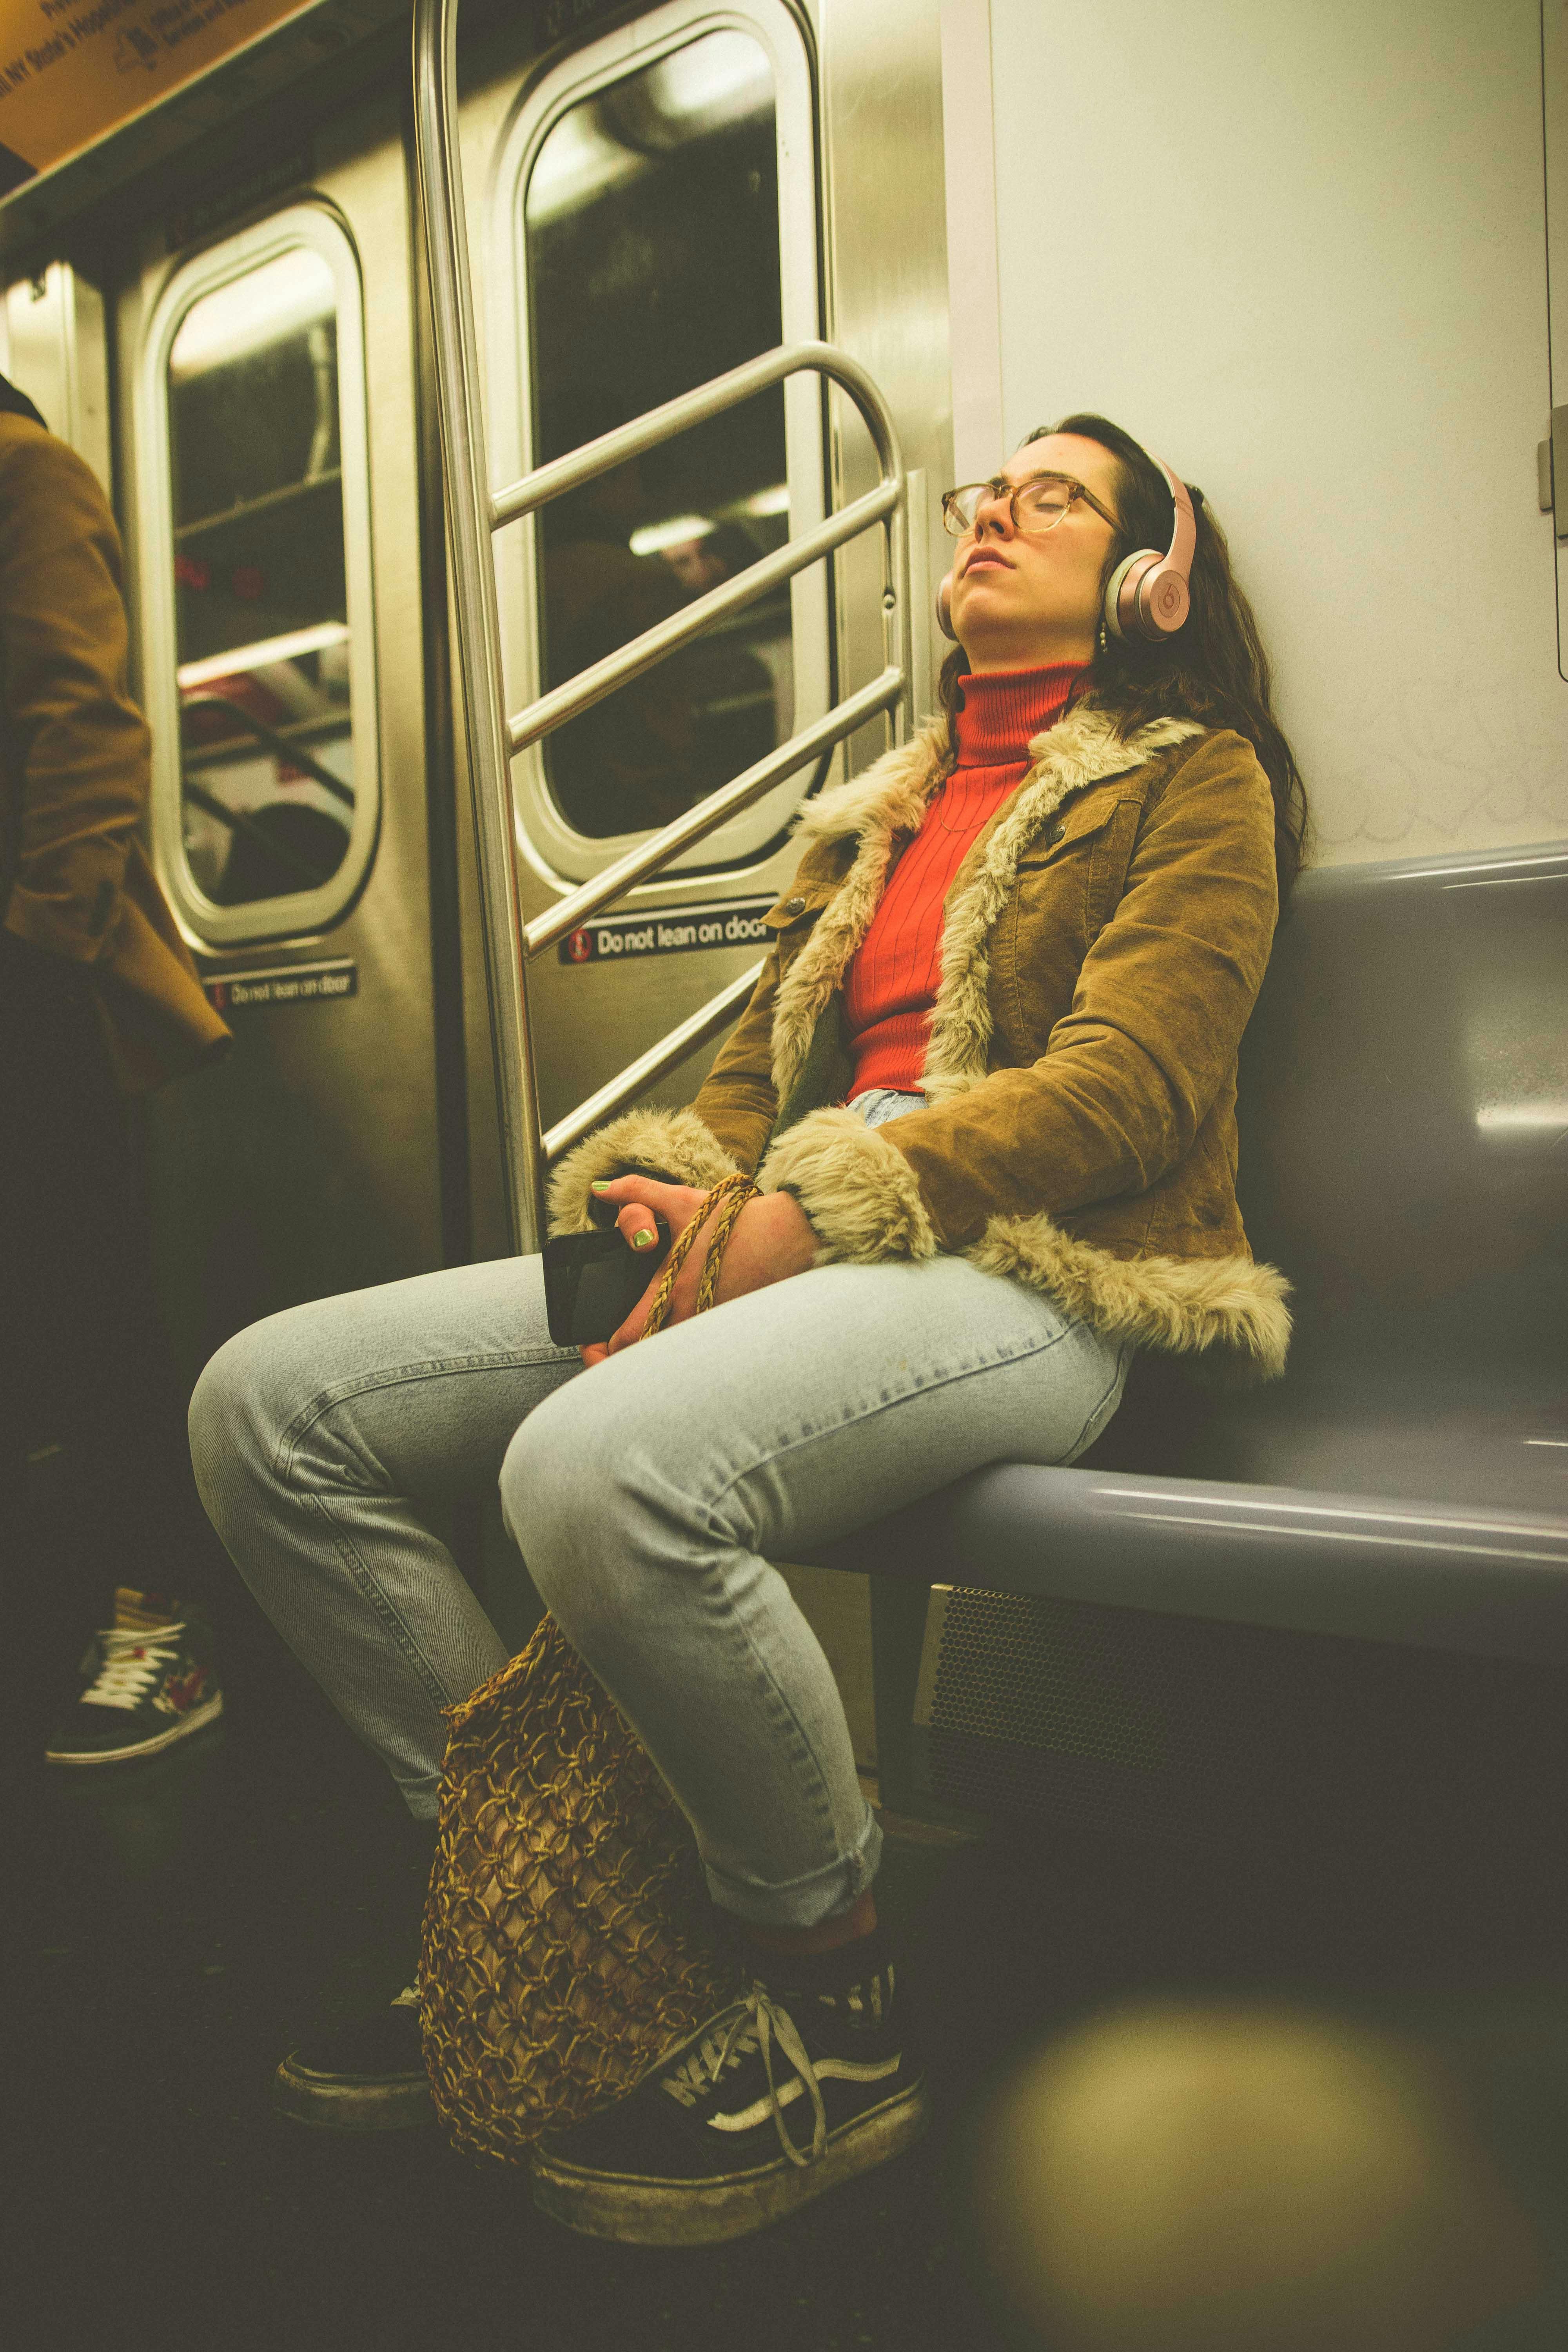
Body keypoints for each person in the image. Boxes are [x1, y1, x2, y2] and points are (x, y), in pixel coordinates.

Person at [189, 414, 1307, 2241]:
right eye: (985, 487)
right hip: (788, 1237)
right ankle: (541, 1913)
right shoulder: (875, 810)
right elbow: (744, 1075)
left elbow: (1134, 1087)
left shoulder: (1199, 781)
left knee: (599, 1463)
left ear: (1144, 576)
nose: (993, 509)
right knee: (270, 1407)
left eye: (1054, 493)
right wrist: (682, 1188)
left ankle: (830, 1985)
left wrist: (836, 1200)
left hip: (1040, 1274)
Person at [0, 369, 232, 1768]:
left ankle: (163, 1622)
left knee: (90, 1321)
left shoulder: (22, 468)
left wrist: (39, 950)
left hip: (31, 986)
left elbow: (85, 728)